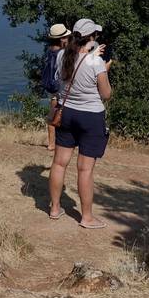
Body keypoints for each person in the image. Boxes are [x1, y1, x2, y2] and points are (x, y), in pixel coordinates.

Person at [47, 18, 112, 229]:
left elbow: (69, 74)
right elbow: (106, 94)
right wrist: (105, 70)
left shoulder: (62, 56)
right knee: (85, 170)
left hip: (66, 114)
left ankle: (55, 208)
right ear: (91, 37)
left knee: (59, 163)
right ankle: (86, 217)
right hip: (90, 117)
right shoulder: (96, 63)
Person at [40, 23, 70, 151]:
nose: (68, 39)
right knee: (53, 116)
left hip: (52, 86)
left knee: (54, 114)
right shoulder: (62, 53)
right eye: (66, 37)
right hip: (59, 87)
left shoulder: (49, 50)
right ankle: (53, 144)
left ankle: (53, 142)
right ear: (61, 39)